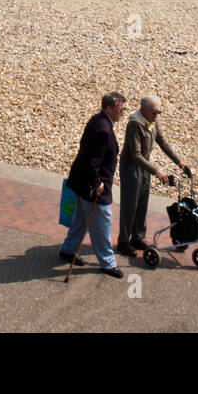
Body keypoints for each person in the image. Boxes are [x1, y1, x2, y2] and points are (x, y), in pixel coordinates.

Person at [59, 92, 127, 278]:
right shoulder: (104, 129)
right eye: (121, 109)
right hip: (93, 186)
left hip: (81, 181)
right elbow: (91, 160)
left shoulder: (98, 119)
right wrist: (97, 183)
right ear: (110, 107)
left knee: (81, 218)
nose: (123, 112)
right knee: (103, 222)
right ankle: (108, 262)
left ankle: (69, 249)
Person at [117, 95, 189, 258]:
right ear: (143, 109)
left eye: (159, 113)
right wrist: (156, 171)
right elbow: (135, 154)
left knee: (142, 202)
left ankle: (138, 237)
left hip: (144, 166)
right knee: (130, 205)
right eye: (154, 112)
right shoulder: (135, 124)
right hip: (131, 168)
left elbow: (162, 141)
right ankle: (123, 242)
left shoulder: (152, 121)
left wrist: (179, 162)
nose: (157, 116)